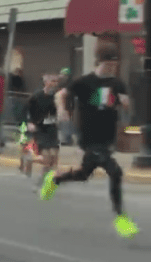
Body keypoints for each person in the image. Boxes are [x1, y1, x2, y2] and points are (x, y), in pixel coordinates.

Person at [40, 44, 139, 239]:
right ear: (100, 62)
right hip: (89, 137)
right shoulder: (85, 82)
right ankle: (121, 218)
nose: (112, 68)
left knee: (84, 174)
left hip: (107, 136)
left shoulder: (117, 83)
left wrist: (125, 105)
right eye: (109, 64)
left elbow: (125, 104)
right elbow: (61, 94)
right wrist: (61, 109)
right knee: (115, 172)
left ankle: (55, 178)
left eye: (114, 64)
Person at [22, 73, 60, 190]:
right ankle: (39, 183)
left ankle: (45, 181)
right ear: (45, 82)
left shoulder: (57, 97)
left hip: (52, 129)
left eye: (56, 81)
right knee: (47, 159)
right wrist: (29, 122)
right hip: (40, 130)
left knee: (54, 159)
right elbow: (26, 110)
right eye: (52, 81)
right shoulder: (37, 96)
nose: (54, 83)